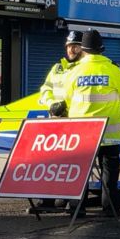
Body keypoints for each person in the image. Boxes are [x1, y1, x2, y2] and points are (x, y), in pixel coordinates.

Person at [55, 30, 120, 218]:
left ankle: (76, 208)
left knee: (80, 172)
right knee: (109, 172)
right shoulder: (113, 69)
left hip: (82, 133)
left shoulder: (74, 71)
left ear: (84, 50)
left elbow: (67, 100)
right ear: (101, 49)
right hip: (109, 133)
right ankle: (110, 208)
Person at [33, 31, 82, 212]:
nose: (72, 49)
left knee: (72, 165)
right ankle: (47, 201)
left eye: (75, 45)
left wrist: (67, 106)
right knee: (51, 163)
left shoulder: (84, 68)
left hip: (75, 122)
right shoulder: (57, 68)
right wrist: (52, 104)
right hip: (55, 122)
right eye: (69, 46)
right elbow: (45, 89)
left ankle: (71, 200)